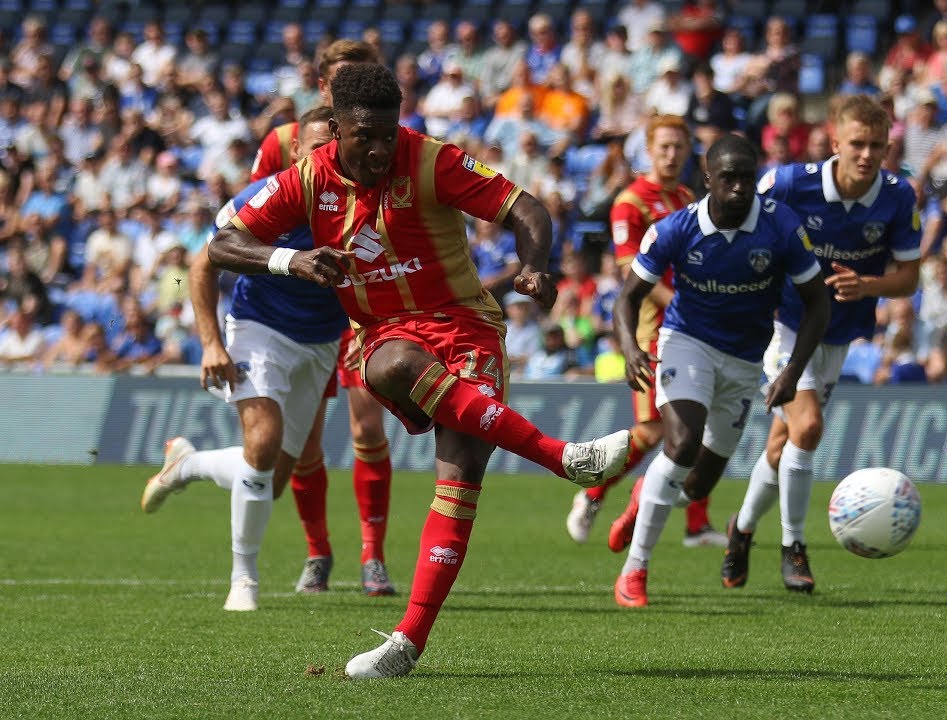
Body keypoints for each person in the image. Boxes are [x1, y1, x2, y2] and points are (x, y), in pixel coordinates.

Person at [207, 63, 630, 677]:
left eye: (387, 133)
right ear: (337, 133)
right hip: (385, 335)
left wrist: (535, 264)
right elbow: (222, 244)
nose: (380, 149)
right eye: (364, 136)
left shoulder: (432, 160)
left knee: (459, 481)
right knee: (396, 363)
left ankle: (405, 644)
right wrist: (290, 259)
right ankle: (561, 458)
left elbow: (527, 209)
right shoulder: (307, 179)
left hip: (466, 326)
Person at [139, 107, 346, 613]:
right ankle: (243, 582)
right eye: (314, 147)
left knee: (269, 480)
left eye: (332, 148)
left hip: (322, 343)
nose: (323, 157)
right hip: (260, 328)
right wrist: (211, 344)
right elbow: (201, 265)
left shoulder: (358, 201)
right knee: (263, 441)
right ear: (295, 152)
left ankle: (187, 464)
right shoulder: (266, 197)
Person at [611, 134, 831, 608]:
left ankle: (643, 496)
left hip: (746, 360)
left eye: (746, 177)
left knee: (696, 484)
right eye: (727, 178)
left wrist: (792, 371)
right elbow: (627, 297)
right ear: (708, 179)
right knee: (681, 443)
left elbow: (818, 303)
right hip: (687, 342)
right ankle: (634, 571)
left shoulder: (780, 226)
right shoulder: (675, 229)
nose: (737, 187)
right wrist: (630, 346)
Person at [723, 94, 922, 593]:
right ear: (835, 142)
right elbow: (747, 234)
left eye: (877, 145)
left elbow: (910, 276)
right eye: (857, 143)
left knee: (780, 446)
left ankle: (741, 529)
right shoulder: (791, 184)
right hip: (786, 325)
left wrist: (869, 286)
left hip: (837, 333)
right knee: (807, 428)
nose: (867, 154)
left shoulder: (898, 197)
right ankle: (794, 546)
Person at [246, 40, 397, 598]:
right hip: (301, 313)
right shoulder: (283, 143)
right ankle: (317, 553)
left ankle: (373, 557)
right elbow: (256, 218)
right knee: (302, 450)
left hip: (360, 308)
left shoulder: (383, 137)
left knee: (366, 427)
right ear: (322, 87)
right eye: (340, 83)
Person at [565, 115, 725, 550]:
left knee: (704, 427)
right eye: (664, 147)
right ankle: (594, 492)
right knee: (654, 433)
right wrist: (679, 301)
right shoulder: (630, 203)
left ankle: (697, 522)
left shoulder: (688, 197)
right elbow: (630, 271)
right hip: (657, 329)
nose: (672, 155)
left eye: (679, 147)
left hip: (697, 322)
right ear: (649, 151)